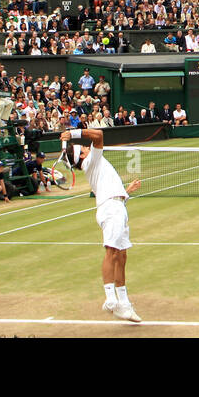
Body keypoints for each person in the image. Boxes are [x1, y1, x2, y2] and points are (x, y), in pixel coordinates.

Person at [60, 127, 142, 323]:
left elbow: (111, 190)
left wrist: (126, 191)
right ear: (82, 155)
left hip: (117, 206)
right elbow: (99, 135)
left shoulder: (92, 161)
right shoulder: (91, 159)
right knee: (112, 252)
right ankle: (110, 298)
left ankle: (123, 304)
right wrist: (72, 133)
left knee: (121, 256)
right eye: (84, 148)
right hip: (111, 210)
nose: (88, 148)